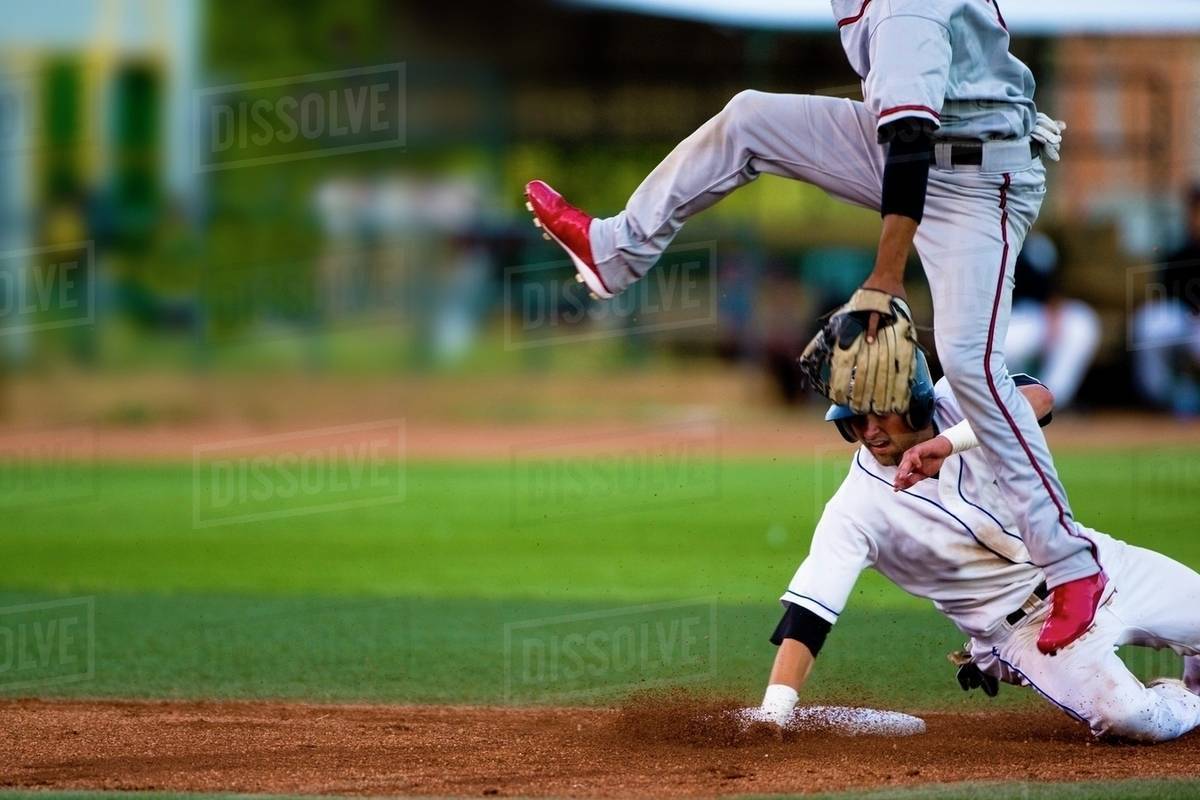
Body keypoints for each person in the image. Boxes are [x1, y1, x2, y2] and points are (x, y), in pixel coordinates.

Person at [525, 0, 1105, 653]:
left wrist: (885, 276)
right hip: (926, 148)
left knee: (971, 365)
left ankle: (1072, 565)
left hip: (979, 178)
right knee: (749, 120)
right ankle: (615, 251)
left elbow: (910, 139)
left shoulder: (903, 7)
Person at [743, 353, 1200, 742]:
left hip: (1096, 564)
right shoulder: (854, 510)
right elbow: (809, 615)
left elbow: (1039, 398)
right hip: (1029, 633)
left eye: (880, 413)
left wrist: (950, 442)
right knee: (1133, 718)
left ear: (917, 402)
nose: (869, 431)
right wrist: (774, 712)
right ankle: (1187, 702)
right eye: (855, 420)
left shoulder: (959, 397)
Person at [1004, 231, 1101, 409]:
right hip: (1004, 319)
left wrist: (1054, 311)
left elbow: (1051, 285)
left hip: (1035, 316)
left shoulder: (1039, 244)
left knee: (1081, 322)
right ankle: (1003, 403)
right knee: (1005, 347)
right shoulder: (982, 240)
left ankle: (1052, 399)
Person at [1130, 186, 1200, 416]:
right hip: (1185, 317)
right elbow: (1165, 294)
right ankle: (1163, 396)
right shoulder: (1179, 252)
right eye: (1195, 212)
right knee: (1149, 323)